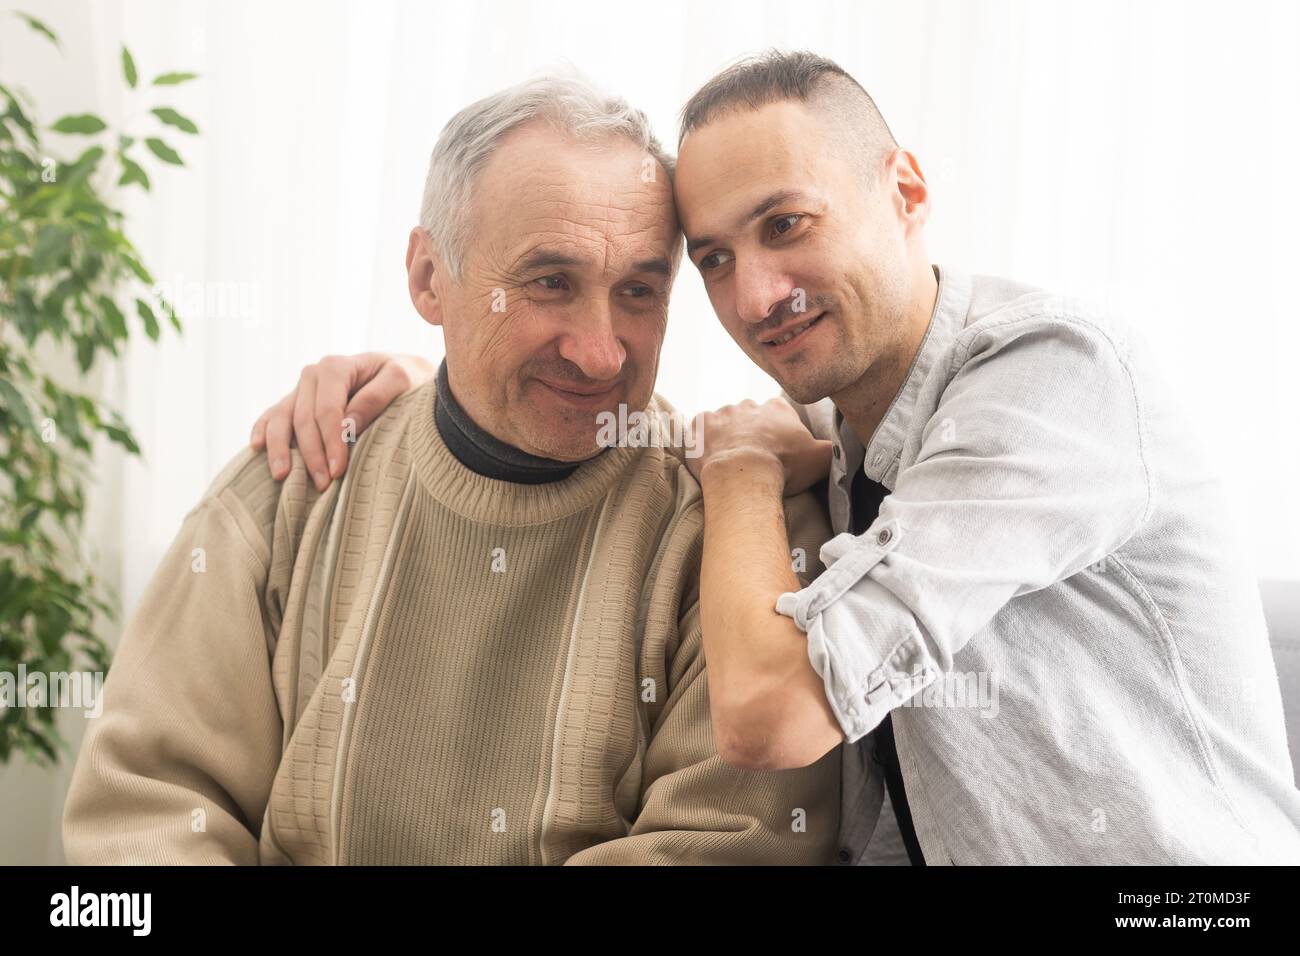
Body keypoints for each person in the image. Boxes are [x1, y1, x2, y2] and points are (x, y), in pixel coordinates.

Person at [269, 51, 1300, 864]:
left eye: (786, 224)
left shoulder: (1049, 375)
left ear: (904, 190)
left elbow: (770, 715)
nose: (755, 296)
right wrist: (438, 380)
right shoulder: (847, 431)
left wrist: (740, 470)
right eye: (712, 258)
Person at [62, 72, 840, 866]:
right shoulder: (291, 482)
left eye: (639, 289)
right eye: (549, 283)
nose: (600, 351)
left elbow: (728, 845)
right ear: (430, 278)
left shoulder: (738, 540)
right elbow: (145, 811)